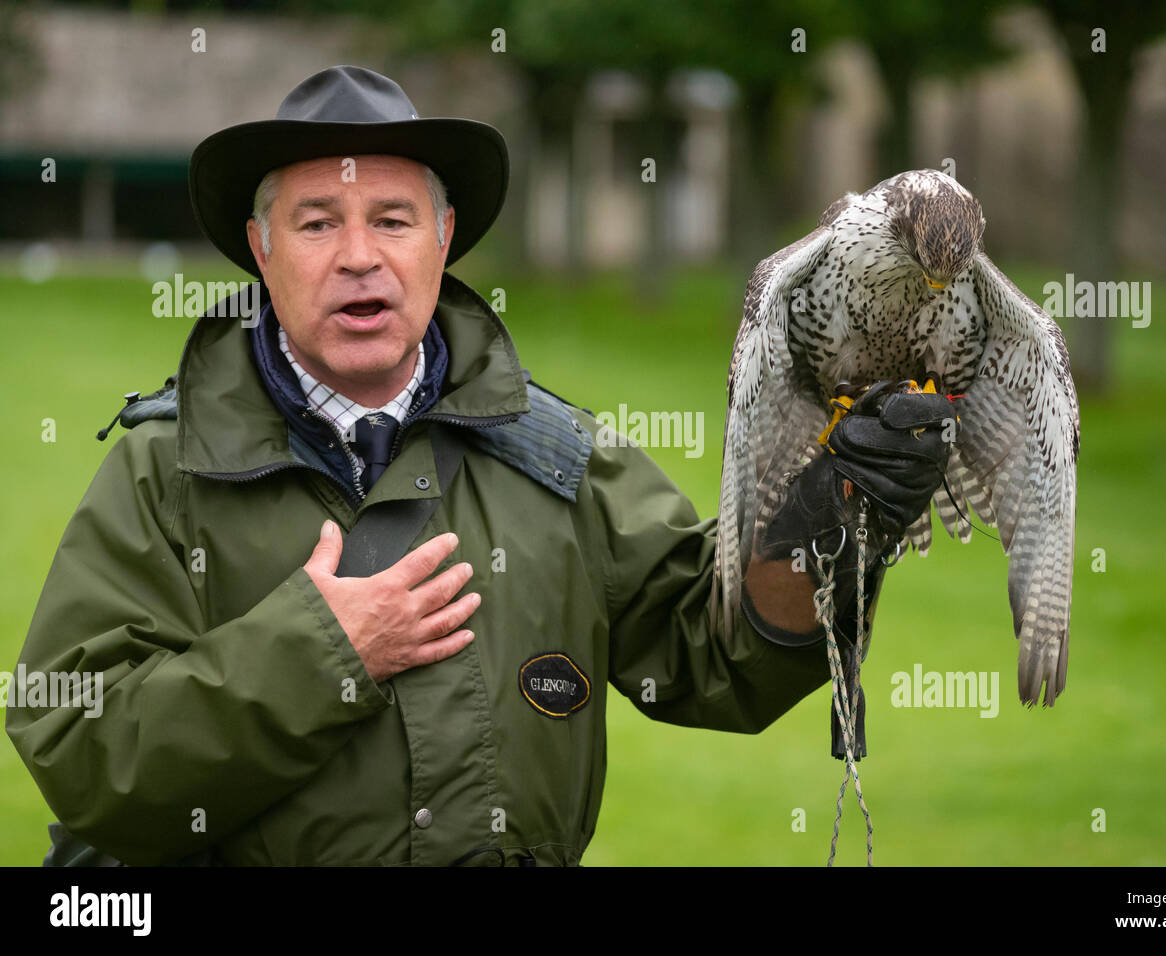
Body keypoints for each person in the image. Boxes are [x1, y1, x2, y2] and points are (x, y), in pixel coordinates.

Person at [6, 66, 952, 866]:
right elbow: (83, 750)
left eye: (392, 219)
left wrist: (824, 528)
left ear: (444, 238)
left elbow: (713, 656)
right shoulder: (162, 469)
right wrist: (324, 654)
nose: (360, 258)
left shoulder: (557, 453)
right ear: (260, 249)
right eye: (316, 224)